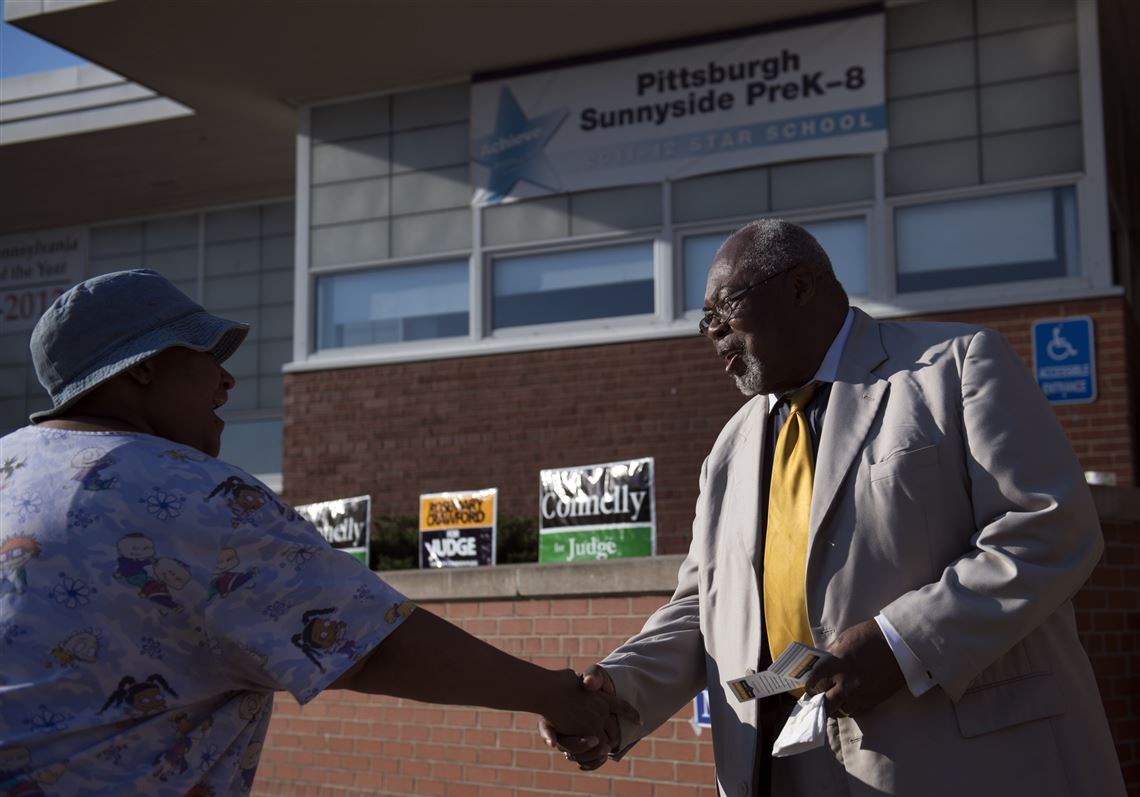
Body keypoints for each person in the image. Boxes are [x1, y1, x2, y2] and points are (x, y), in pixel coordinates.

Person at [542, 219, 1125, 796]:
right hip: (777, 765)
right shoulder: (729, 449)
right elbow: (704, 607)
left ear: (799, 286)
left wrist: (902, 644)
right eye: (705, 319)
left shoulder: (956, 364)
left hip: (958, 761)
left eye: (726, 307)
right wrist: (618, 689)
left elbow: (1049, 527)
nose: (712, 331)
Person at [0, 269, 636, 796]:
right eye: (206, 355)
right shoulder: (183, 489)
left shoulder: (9, 466)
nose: (227, 379)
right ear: (141, 369)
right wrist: (558, 696)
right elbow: (371, 643)